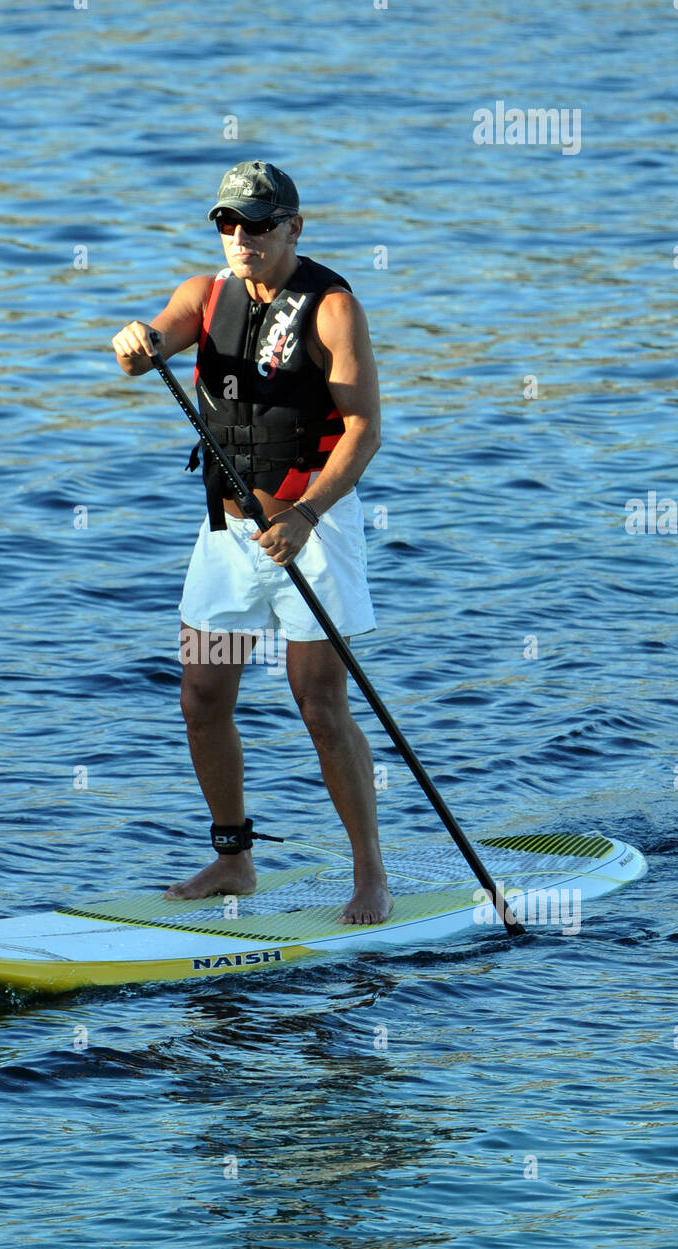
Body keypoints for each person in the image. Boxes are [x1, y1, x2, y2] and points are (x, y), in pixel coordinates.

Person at [111, 160, 392, 925]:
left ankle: (370, 874)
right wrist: (137, 345)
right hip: (227, 535)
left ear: (293, 227)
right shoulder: (204, 296)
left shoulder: (334, 307)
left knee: (318, 704)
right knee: (201, 698)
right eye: (229, 224)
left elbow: (365, 429)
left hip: (315, 528)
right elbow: (157, 339)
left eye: (259, 224)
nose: (242, 237)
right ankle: (235, 859)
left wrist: (304, 515)